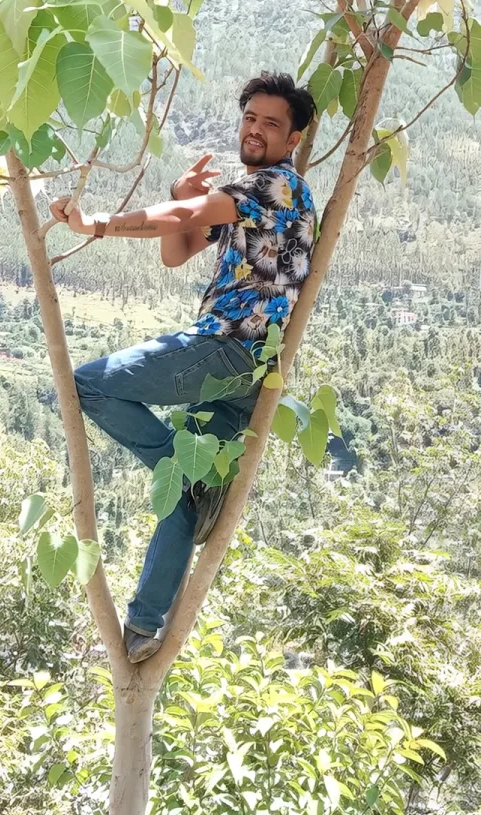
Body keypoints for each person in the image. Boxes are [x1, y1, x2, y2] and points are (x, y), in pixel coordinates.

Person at [49, 71, 318, 663]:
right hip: (248, 370)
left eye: (272, 124)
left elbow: (175, 222)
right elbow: (179, 251)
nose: (255, 130)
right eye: (251, 118)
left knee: (87, 383)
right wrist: (178, 193)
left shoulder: (278, 188)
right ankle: (145, 628)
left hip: (228, 349)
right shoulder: (251, 197)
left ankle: (184, 472)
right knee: (181, 488)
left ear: (294, 137)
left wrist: (94, 224)